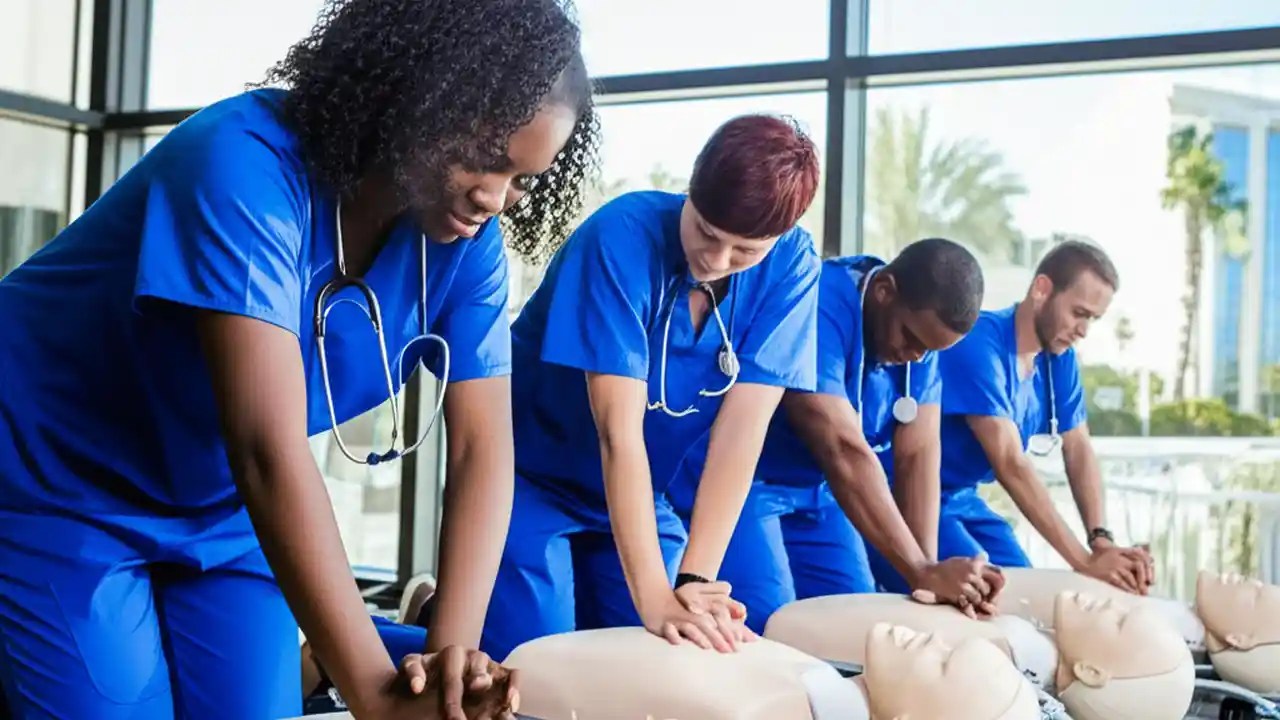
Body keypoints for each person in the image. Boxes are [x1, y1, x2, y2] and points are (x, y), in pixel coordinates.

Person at [0, 0, 598, 718]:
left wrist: (448, 662)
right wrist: (378, 699)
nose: (495, 199)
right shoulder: (241, 165)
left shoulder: (463, 245)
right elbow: (266, 449)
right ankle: (328, 655)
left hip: (219, 506)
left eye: (522, 179)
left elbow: (480, 451)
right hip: (53, 479)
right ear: (410, 97)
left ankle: (321, 655)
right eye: (484, 159)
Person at [475, 113, 822, 663]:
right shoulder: (620, 238)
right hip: (529, 479)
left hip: (641, 495)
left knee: (670, 653)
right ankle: (381, 644)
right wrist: (655, 597)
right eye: (706, 231)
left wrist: (693, 579)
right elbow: (619, 433)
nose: (715, 260)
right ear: (690, 189)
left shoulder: (793, 266)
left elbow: (741, 433)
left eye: (744, 252)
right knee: (529, 664)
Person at [667, 238, 1004, 633]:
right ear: (884, 291)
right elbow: (841, 448)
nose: (916, 355)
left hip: (819, 492)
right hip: (745, 480)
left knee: (856, 624)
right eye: (911, 338)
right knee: (772, 621)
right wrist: (920, 569)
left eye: (929, 350)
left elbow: (918, 454)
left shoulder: (922, 344)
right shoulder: (820, 300)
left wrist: (925, 570)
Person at [867, 240, 1153, 596]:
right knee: (990, 595)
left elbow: (1077, 447)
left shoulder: (1058, 360)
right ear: (1042, 289)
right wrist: (1083, 562)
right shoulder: (979, 342)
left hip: (962, 500)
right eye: (1078, 313)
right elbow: (1008, 461)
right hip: (905, 493)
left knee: (1029, 594)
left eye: (1092, 319)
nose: (1083, 330)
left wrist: (1101, 541)